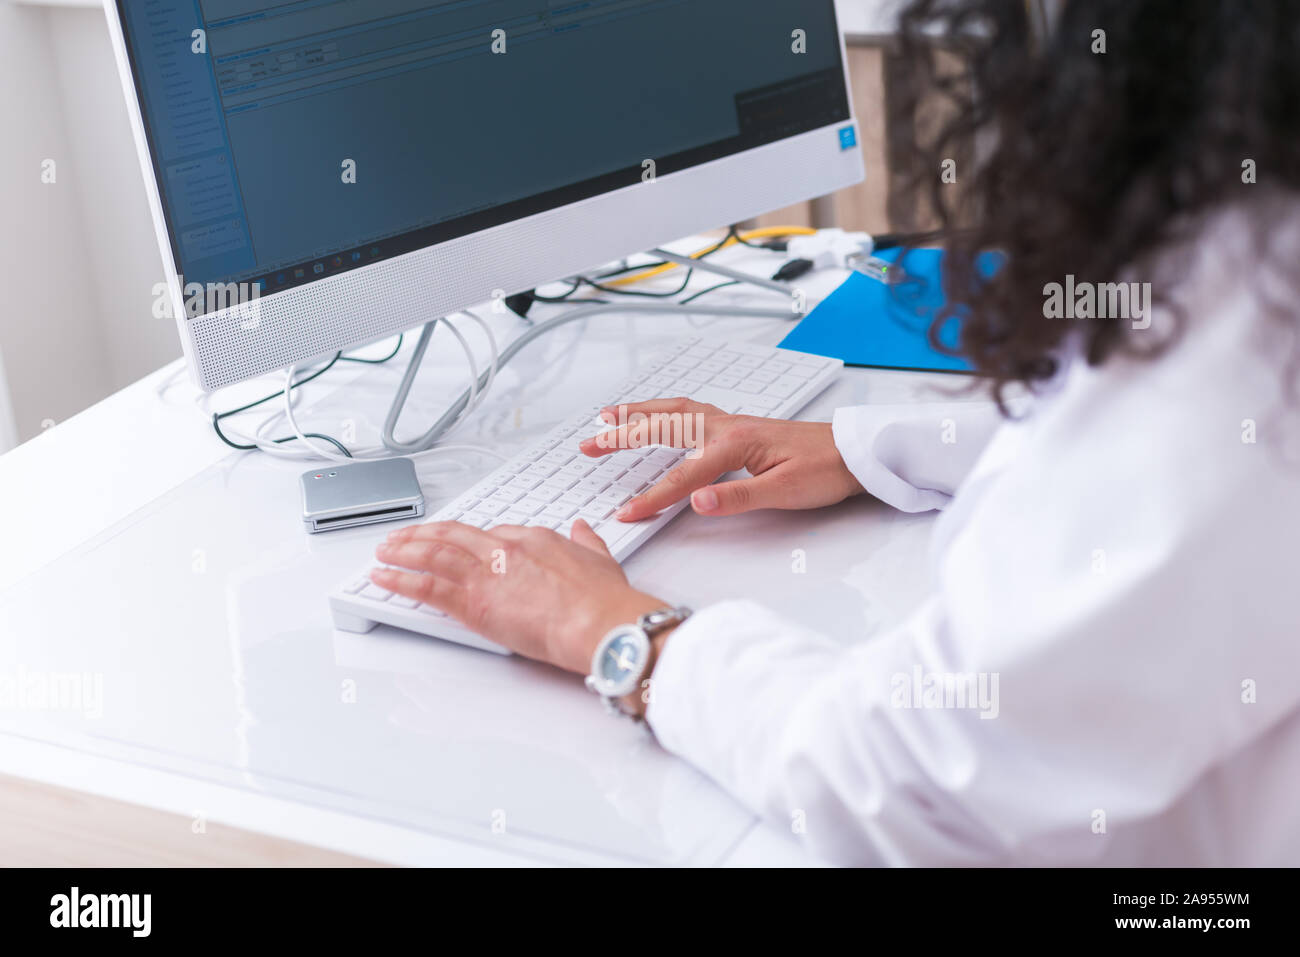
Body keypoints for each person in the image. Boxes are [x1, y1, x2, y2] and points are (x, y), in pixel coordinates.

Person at [370, 0, 1300, 865]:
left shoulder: (1248, 327)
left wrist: (623, 637)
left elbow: (908, 774)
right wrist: (863, 448)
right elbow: (1157, 470)